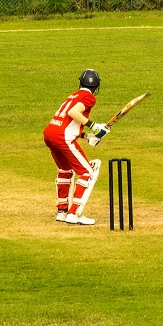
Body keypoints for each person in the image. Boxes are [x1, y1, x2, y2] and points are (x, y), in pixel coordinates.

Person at [44, 69, 111, 225]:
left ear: (81, 82)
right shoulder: (88, 97)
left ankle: (62, 211)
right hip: (62, 138)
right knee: (87, 172)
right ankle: (73, 214)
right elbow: (74, 113)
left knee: (65, 170)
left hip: (50, 134)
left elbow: (66, 124)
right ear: (97, 86)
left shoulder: (73, 95)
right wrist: (93, 126)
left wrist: (87, 136)